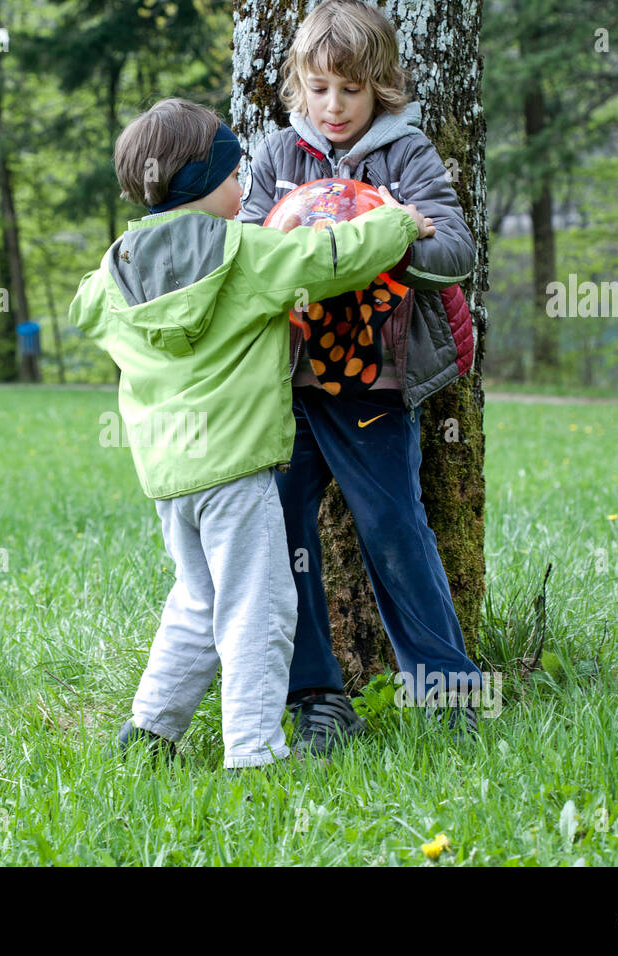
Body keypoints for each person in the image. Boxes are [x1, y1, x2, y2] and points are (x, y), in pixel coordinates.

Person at [69, 97, 432, 769]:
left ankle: (150, 731)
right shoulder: (244, 253)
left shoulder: (114, 272)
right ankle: (256, 754)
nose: (246, 187)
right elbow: (327, 258)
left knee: (197, 604)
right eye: (235, 174)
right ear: (205, 182)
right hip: (237, 473)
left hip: (170, 480)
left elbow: (85, 309)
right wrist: (397, 223)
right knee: (257, 614)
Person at [239, 0, 483, 754]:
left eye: (350, 90)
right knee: (279, 532)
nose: (334, 107)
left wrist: (395, 228)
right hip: (286, 387)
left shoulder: (406, 156)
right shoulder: (280, 156)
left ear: (381, 87)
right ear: (298, 88)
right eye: (318, 89)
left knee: (394, 530)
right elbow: (247, 247)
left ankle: (447, 693)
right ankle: (316, 698)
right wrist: (286, 238)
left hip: (375, 388)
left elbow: (457, 253)